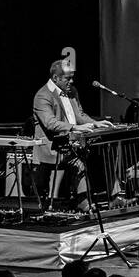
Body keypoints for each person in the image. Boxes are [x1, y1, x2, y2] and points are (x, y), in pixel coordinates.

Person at [32, 59, 112, 208]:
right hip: (51, 147)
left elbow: (80, 115)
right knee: (77, 161)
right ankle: (83, 202)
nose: (72, 81)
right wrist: (75, 128)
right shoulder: (42, 96)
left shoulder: (72, 92)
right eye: (68, 78)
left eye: (72, 77)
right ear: (55, 78)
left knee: (104, 154)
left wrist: (95, 123)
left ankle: (113, 197)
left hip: (70, 143)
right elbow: (51, 123)